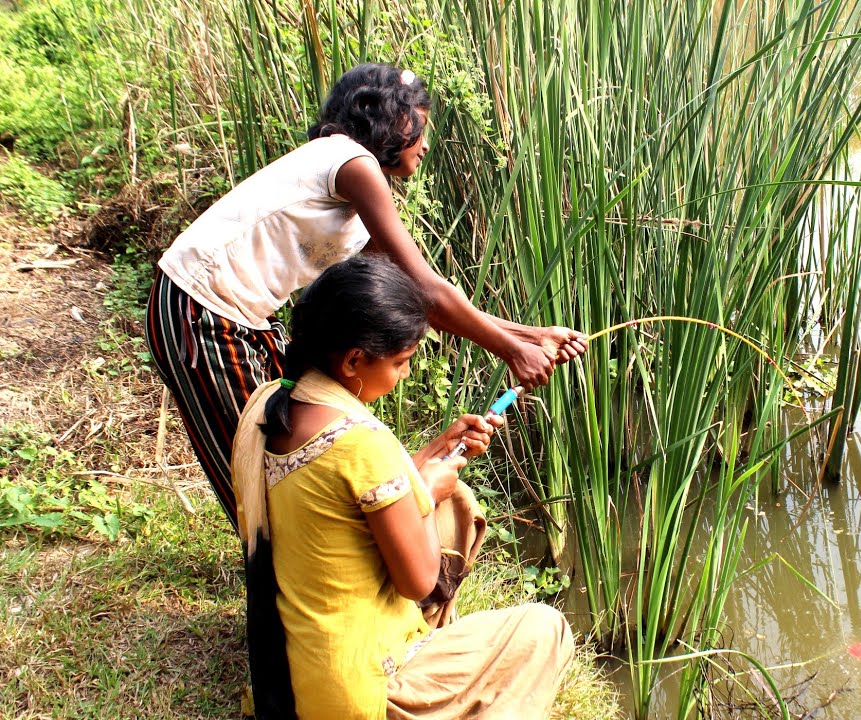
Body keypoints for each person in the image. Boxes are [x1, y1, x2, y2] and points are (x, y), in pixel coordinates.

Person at [145, 62, 585, 529]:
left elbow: (412, 295)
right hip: (199, 309)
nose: (426, 144)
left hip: (244, 320)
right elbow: (427, 289)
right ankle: (291, 588)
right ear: (395, 119)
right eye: (421, 127)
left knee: (296, 449)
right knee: (264, 474)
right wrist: (513, 350)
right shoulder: (354, 163)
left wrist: (532, 335)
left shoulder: (351, 196)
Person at [231, 255, 573, 719]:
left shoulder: (269, 402)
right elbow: (418, 581)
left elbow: (343, 494)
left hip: (294, 669)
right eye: (401, 362)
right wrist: (425, 496)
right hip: (357, 691)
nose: (405, 375)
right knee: (544, 628)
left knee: (457, 501)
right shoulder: (363, 443)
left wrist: (433, 455)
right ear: (354, 359)